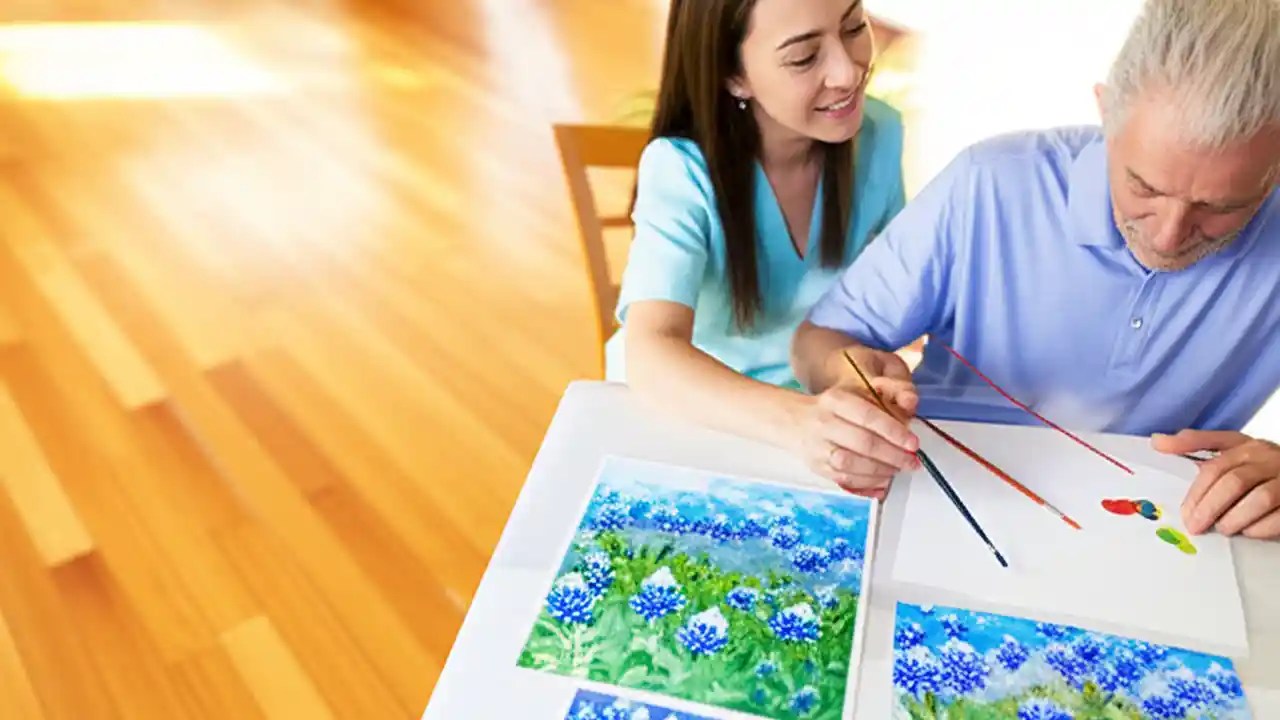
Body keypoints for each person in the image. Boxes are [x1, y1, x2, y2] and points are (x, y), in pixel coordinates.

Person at [790, 0, 1280, 537]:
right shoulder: (991, 183)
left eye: (1220, 208)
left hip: (1156, 537)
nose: (1169, 235)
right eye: (1144, 187)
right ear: (1106, 110)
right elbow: (818, 341)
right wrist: (849, 381)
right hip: (938, 501)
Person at [607, 0, 907, 457]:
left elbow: (879, 296)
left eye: (852, 27)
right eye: (804, 57)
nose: (848, 72)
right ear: (733, 75)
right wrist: (799, 421)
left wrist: (841, 367)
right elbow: (650, 353)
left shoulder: (880, 133)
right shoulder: (682, 170)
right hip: (698, 412)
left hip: (810, 409)